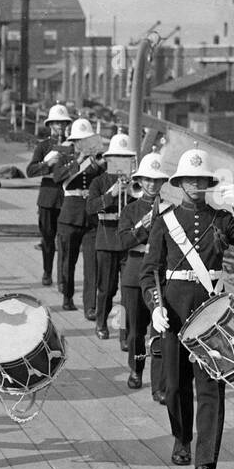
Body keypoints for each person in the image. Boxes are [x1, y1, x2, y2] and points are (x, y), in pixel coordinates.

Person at [142, 149, 234, 469]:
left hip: (211, 315)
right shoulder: (164, 220)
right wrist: (155, 306)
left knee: (211, 388)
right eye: (190, 180)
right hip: (173, 311)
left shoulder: (222, 219)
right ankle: (182, 439)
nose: (195, 185)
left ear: (208, 183)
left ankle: (205, 464)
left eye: (201, 180)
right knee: (175, 386)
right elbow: (149, 271)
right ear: (180, 183)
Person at [115, 153, 170, 396]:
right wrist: (143, 226)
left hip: (159, 274)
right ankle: (136, 368)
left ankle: (158, 384)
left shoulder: (170, 210)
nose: (152, 185)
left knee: (160, 331)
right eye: (147, 180)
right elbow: (122, 241)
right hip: (135, 272)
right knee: (136, 331)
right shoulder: (130, 209)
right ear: (141, 181)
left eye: (156, 181)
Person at [85, 132, 136, 339]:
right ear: (108, 159)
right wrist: (111, 195)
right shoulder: (99, 182)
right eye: (117, 158)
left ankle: (125, 334)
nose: (121, 162)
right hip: (106, 241)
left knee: (127, 290)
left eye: (125, 158)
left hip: (128, 242)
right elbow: (90, 208)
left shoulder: (135, 182)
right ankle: (101, 322)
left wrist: (132, 193)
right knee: (106, 288)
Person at [56, 118, 104, 317]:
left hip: (91, 217)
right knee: (68, 260)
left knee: (92, 264)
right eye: (79, 141)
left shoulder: (99, 161)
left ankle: (90, 306)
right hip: (70, 216)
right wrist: (79, 159)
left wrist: (100, 164)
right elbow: (57, 178)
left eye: (87, 141)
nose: (82, 144)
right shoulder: (65, 159)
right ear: (73, 142)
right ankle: (67, 296)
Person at [27, 104, 73, 287]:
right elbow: (30, 170)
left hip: (67, 197)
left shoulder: (73, 145)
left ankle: (63, 278)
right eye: (56, 123)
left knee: (64, 241)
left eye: (63, 123)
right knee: (47, 238)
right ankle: (47, 272)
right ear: (50, 124)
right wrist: (48, 164)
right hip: (47, 198)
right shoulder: (44, 145)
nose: (60, 127)